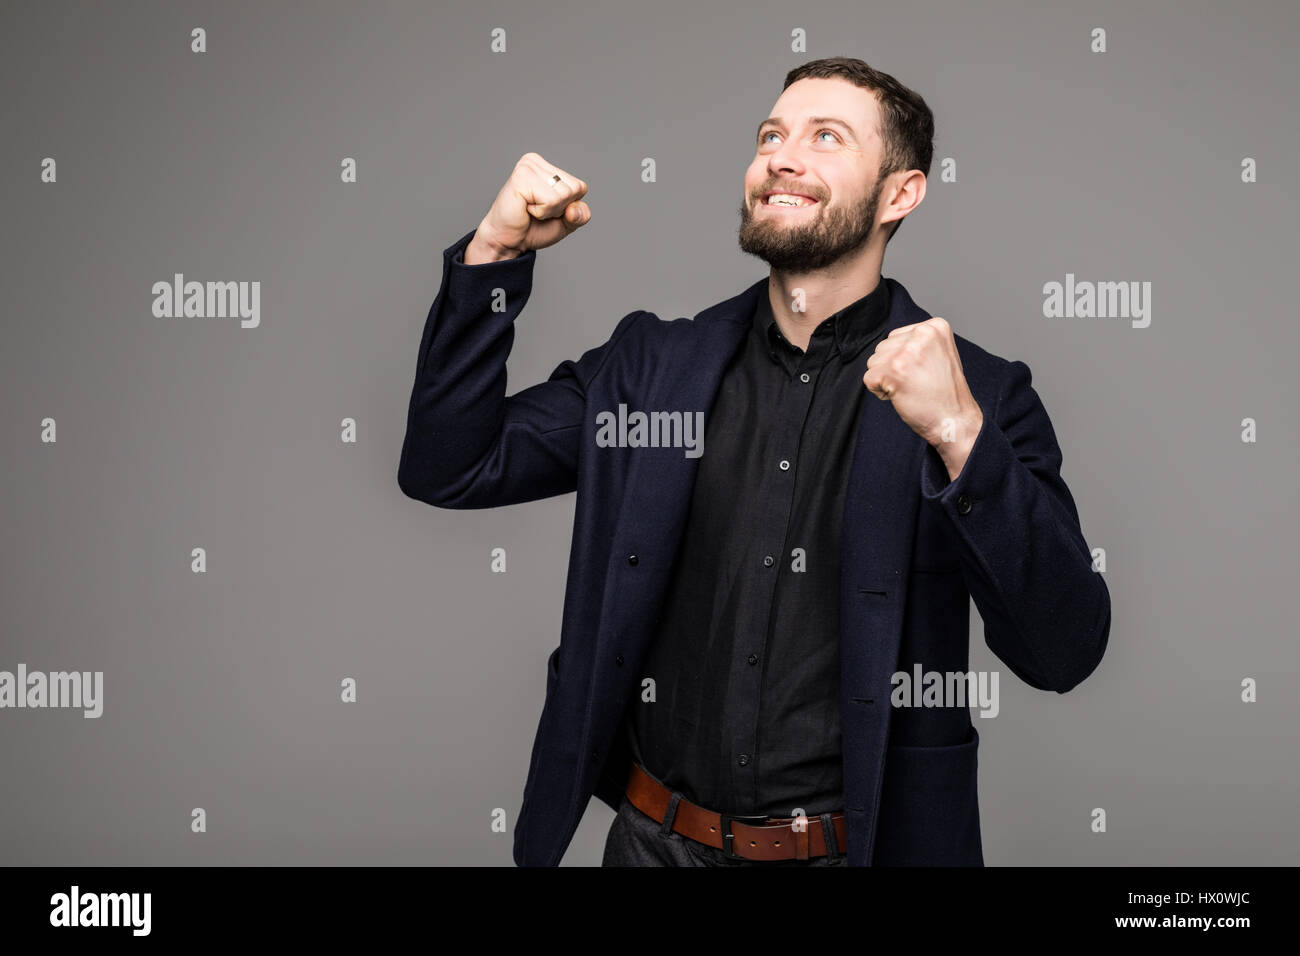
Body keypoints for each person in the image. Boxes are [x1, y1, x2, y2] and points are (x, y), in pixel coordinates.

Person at [398, 56, 1111, 866]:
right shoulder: (650, 369)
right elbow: (450, 466)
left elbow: (1063, 652)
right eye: (771, 136)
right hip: (653, 847)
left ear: (900, 194)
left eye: (826, 137)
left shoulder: (978, 394)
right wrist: (494, 255)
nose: (781, 157)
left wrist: (959, 436)